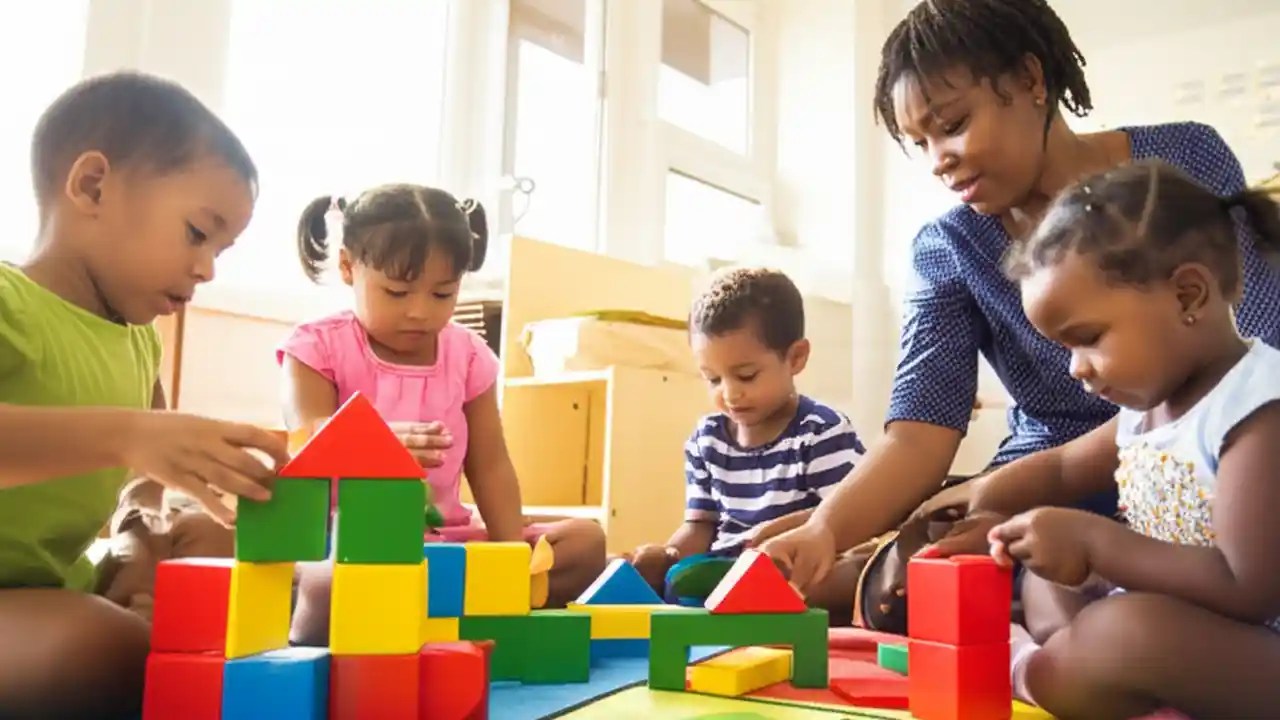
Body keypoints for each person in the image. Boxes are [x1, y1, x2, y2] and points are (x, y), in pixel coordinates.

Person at [756, 0, 1280, 630]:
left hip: (1197, 457)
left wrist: (1027, 504)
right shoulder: (947, 248)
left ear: (1032, 82)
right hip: (1044, 470)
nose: (937, 160)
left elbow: (1248, 350)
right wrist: (825, 527)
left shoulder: (1180, 163)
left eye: (951, 124)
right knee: (896, 588)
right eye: (920, 143)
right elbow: (918, 433)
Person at [918, 161, 1280, 719]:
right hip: (1188, 622)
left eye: (1087, 339)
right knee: (1048, 573)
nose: (1075, 369)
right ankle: (1097, 671)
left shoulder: (1257, 410)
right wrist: (988, 500)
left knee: (1128, 630)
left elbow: (1247, 588)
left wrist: (1096, 546)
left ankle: (1032, 671)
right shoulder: (1148, 407)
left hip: (1261, 648)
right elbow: (1064, 468)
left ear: (1188, 296)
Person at [0, 71, 289, 719]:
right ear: (93, 186)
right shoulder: (9, 305)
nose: (208, 268)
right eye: (197, 232)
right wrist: (131, 435)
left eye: (223, 249)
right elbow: (135, 441)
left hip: (46, 589)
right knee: (104, 649)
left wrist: (138, 532)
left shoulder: (137, 343)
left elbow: (144, 480)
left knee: (218, 547)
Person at [280, 184, 607, 644]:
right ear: (348, 267)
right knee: (334, 585)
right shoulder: (318, 347)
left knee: (585, 542)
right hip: (346, 545)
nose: (419, 312)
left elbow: (490, 463)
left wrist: (510, 554)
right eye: (396, 291)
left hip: (446, 543)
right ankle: (400, 618)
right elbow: (305, 441)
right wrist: (374, 444)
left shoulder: (468, 355)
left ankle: (453, 616)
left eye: (442, 294)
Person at [626, 268, 868, 623]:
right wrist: (668, 554)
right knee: (664, 573)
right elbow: (700, 527)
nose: (729, 393)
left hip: (793, 568)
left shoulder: (822, 432)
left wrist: (780, 533)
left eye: (746, 376)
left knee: (847, 575)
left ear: (796, 358)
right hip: (726, 570)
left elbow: (854, 517)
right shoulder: (706, 439)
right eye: (712, 379)